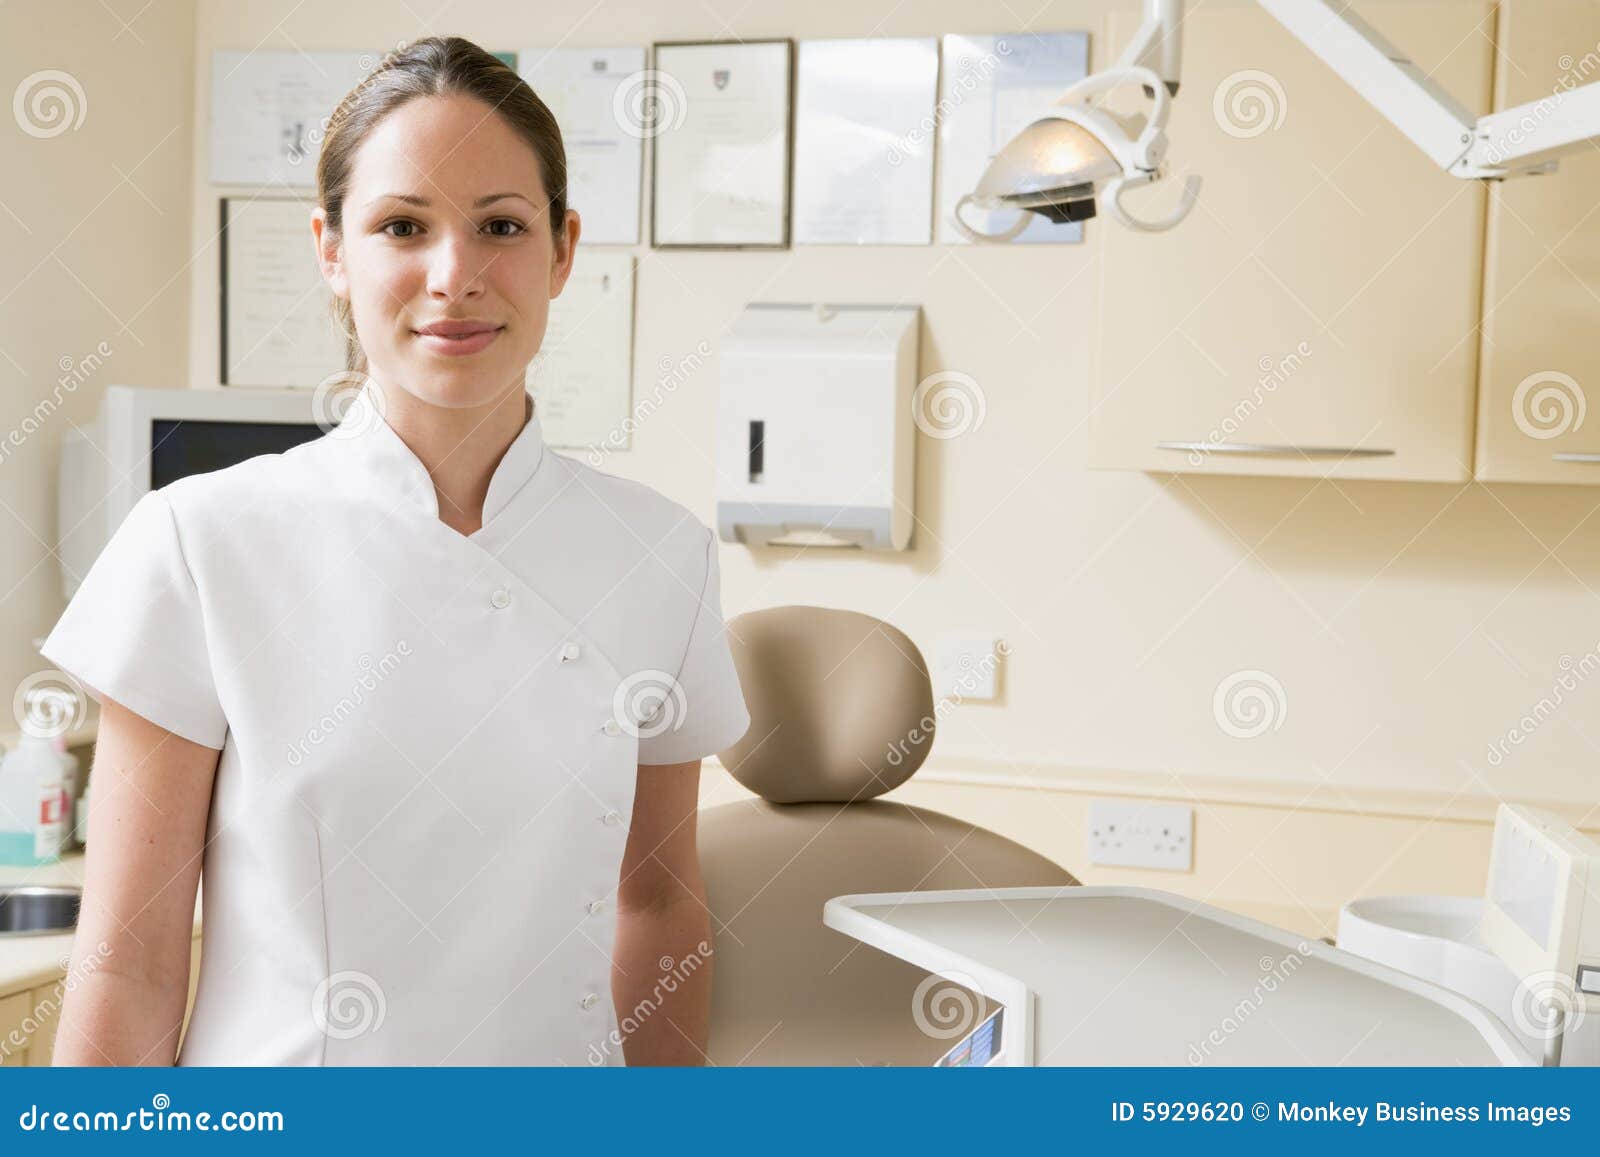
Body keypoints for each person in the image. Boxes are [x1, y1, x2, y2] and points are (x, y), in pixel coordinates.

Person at [40, 35, 750, 1066]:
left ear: (561, 249)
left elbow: (657, 910)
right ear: (332, 250)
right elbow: (131, 960)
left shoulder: (659, 555)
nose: (453, 275)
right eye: (401, 226)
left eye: (500, 225)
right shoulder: (202, 542)